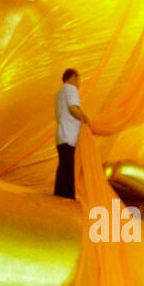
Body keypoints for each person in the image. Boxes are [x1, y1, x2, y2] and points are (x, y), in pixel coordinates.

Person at [53, 67, 90, 199]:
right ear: (73, 76)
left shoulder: (59, 93)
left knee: (63, 166)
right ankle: (67, 197)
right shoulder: (71, 89)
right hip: (69, 135)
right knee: (69, 168)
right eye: (79, 78)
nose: (79, 82)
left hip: (61, 134)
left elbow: (58, 115)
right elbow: (74, 109)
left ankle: (58, 194)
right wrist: (85, 118)